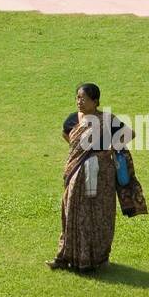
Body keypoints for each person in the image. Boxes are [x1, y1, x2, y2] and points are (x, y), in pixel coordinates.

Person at [46, 84, 135, 272]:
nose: (79, 101)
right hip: (76, 172)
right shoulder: (72, 119)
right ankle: (66, 257)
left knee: (99, 213)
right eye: (77, 97)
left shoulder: (106, 119)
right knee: (71, 212)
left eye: (84, 98)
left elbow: (129, 134)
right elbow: (67, 135)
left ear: (95, 102)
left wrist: (106, 149)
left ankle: (97, 258)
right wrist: (81, 152)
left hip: (102, 175)